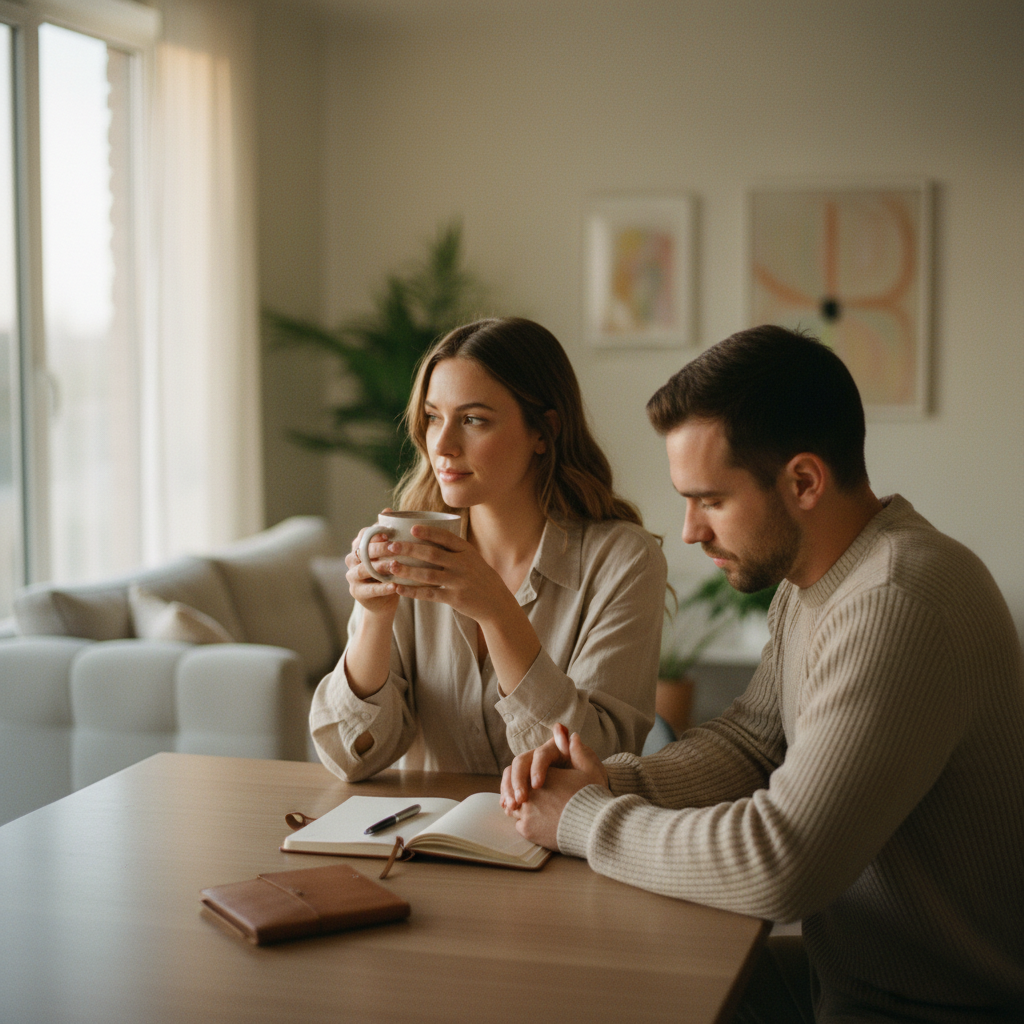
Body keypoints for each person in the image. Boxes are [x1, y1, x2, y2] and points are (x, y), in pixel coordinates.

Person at [501, 325, 1024, 1022]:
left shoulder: (896, 601)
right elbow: (754, 741)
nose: (689, 530)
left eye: (710, 499)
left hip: (929, 1007)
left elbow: (782, 865)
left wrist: (584, 819)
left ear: (804, 480)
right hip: (847, 979)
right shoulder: (815, 577)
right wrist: (615, 780)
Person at [310, 317, 667, 781]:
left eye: (473, 420)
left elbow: (593, 762)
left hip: (558, 844)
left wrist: (498, 612)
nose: (442, 443)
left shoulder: (623, 562)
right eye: (434, 416)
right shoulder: (409, 546)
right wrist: (375, 619)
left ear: (544, 431)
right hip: (422, 840)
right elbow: (347, 758)